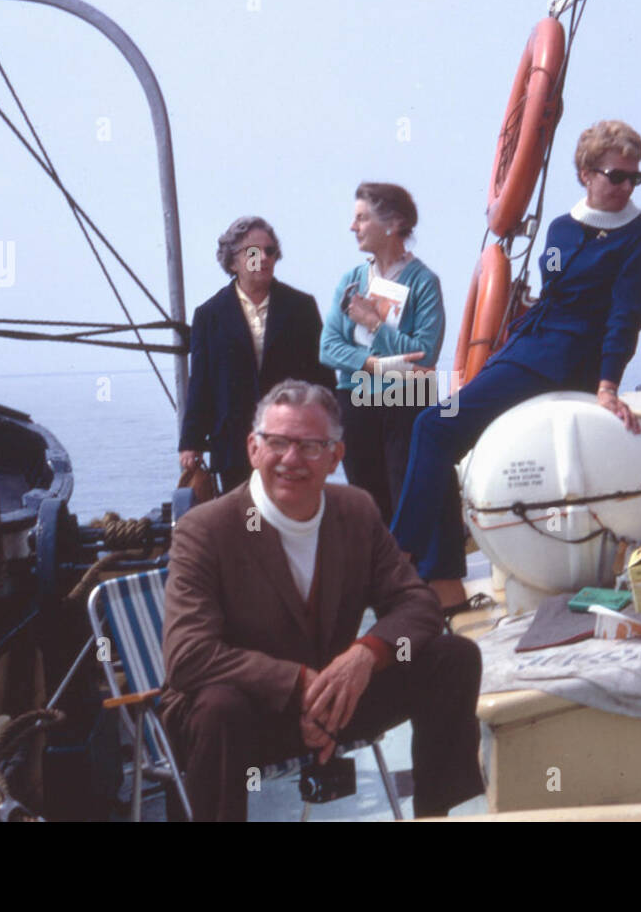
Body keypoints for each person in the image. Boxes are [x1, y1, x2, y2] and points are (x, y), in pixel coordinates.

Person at [161, 379, 485, 821]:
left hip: (339, 697)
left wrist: (364, 657)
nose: (291, 459)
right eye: (277, 443)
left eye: (311, 446)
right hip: (246, 717)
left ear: (335, 457)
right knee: (219, 707)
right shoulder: (205, 530)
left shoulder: (355, 511)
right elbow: (188, 655)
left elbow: (417, 603)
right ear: (253, 449)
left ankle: (434, 814)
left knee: (453, 656)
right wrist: (299, 684)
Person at [391, 120, 641, 612]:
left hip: (562, 361)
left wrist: (607, 385)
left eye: (634, 178)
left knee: (434, 428)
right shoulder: (561, 228)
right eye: (616, 176)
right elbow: (554, 288)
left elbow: (626, 316)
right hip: (531, 347)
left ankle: (400, 559)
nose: (626, 186)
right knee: (436, 430)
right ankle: (440, 580)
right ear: (585, 173)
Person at [178, 216, 334, 493]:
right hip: (234, 445)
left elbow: (322, 377)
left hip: (294, 442)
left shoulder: (301, 307)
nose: (263, 258)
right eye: (253, 251)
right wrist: (191, 443)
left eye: (270, 251)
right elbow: (201, 383)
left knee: (291, 521)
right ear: (232, 261)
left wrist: (329, 433)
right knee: (249, 525)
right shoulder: (209, 316)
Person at [320, 183, 445, 524]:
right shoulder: (352, 279)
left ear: (392, 224)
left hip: (408, 403)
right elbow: (328, 347)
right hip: (357, 401)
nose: (352, 227)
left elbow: (424, 355)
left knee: (408, 505)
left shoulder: (423, 282)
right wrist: (371, 363)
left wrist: (375, 325)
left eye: (361, 218)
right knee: (369, 509)